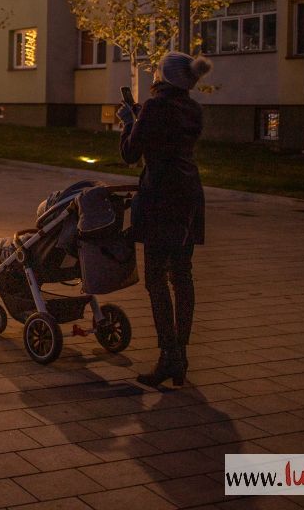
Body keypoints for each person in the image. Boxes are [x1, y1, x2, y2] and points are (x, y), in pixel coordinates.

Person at [118, 51, 212, 388]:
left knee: (156, 278)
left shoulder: (155, 107)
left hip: (161, 196)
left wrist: (129, 122)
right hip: (189, 194)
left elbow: (130, 154)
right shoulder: (192, 108)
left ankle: (168, 356)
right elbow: (168, 138)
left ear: (164, 76)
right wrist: (141, 118)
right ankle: (180, 356)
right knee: (182, 276)